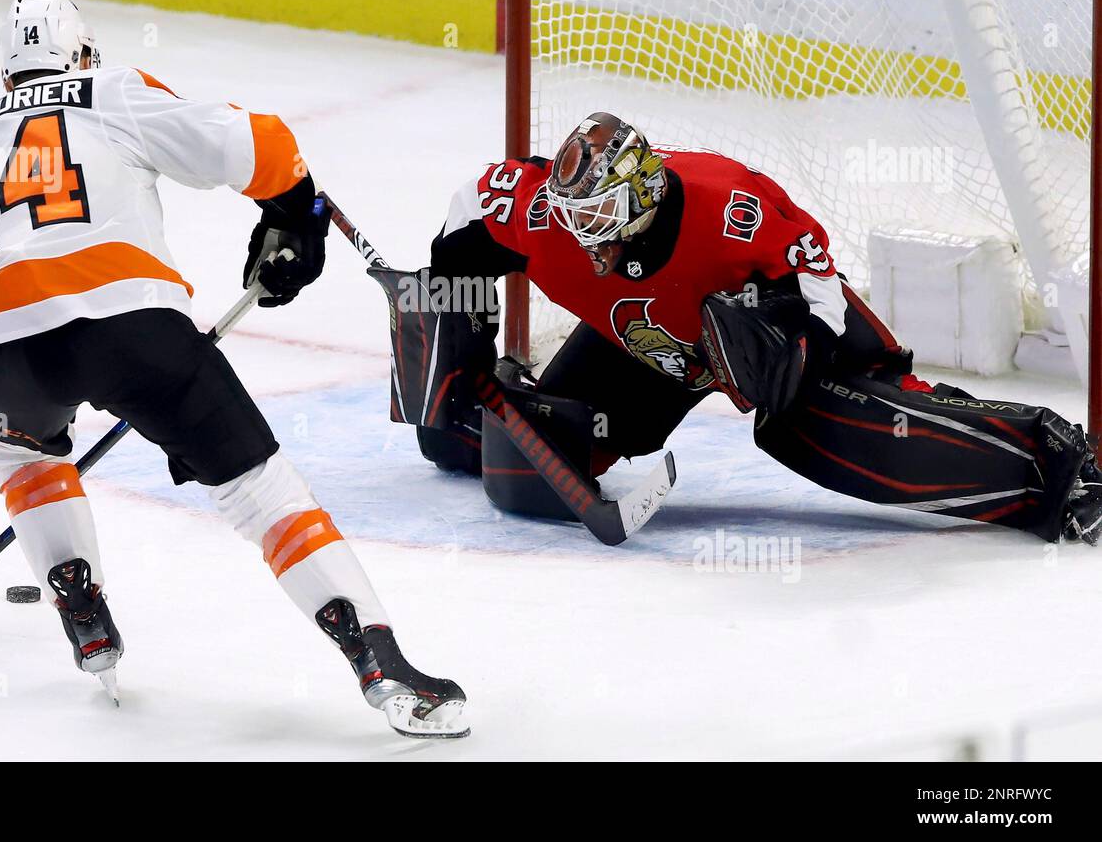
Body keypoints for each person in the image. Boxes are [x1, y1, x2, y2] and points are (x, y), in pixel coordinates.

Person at [0, 0, 466, 737]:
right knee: (261, 492)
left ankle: (79, 605)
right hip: (133, 331)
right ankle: (377, 656)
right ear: (83, 54)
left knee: (20, 454)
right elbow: (254, 141)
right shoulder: (111, 87)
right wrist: (293, 213)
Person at [418, 111, 1102, 546]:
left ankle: (1060, 463)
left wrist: (800, 354)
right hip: (650, 351)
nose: (580, 236)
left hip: (769, 330)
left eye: (596, 219)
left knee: (836, 435)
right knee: (532, 449)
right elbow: (465, 216)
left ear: (641, 197)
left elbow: (823, 286)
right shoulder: (547, 216)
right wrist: (465, 353)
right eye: (572, 217)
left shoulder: (730, 204)